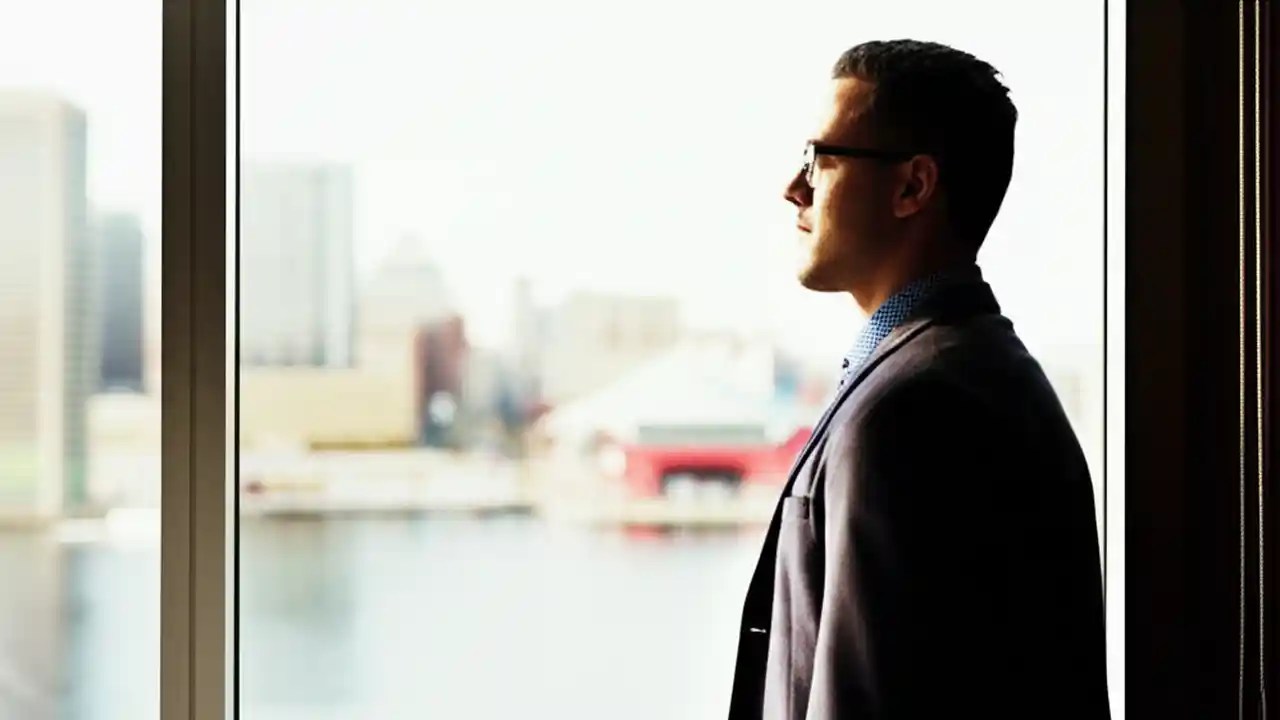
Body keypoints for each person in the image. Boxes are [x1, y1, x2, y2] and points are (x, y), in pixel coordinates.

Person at [727, 39, 1109, 719]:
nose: (794, 187)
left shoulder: (908, 411)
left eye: (819, 159)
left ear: (913, 186)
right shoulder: (984, 373)